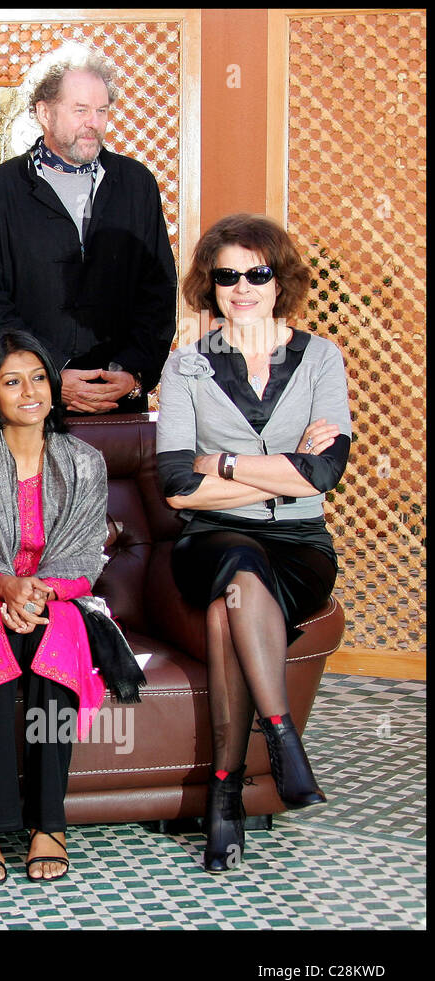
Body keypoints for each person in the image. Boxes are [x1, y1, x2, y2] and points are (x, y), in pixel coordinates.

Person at [157, 213, 350, 872]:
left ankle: (224, 796)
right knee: (238, 563)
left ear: (280, 280)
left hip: (300, 547)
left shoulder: (321, 357)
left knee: (228, 606)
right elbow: (178, 488)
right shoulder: (187, 364)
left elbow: (325, 473)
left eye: (256, 274)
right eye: (227, 276)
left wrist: (227, 466)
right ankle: (284, 740)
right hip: (211, 540)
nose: (241, 287)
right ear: (210, 286)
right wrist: (282, 471)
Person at [0, 332, 143, 885]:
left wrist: (36, 592)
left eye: (38, 377)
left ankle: (50, 821)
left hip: (61, 596)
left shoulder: (86, 462)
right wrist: (4, 589)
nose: (29, 391)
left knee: (59, 630)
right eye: (12, 381)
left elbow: (85, 555)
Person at [0, 44, 176, 414]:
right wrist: (49, 372)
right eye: (80, 110)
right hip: (27, 404)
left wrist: (131, 373)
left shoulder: (136, 184)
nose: (93, 121)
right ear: (44, 112)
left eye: (101, 110)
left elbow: (158, 291)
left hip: (117, 401)